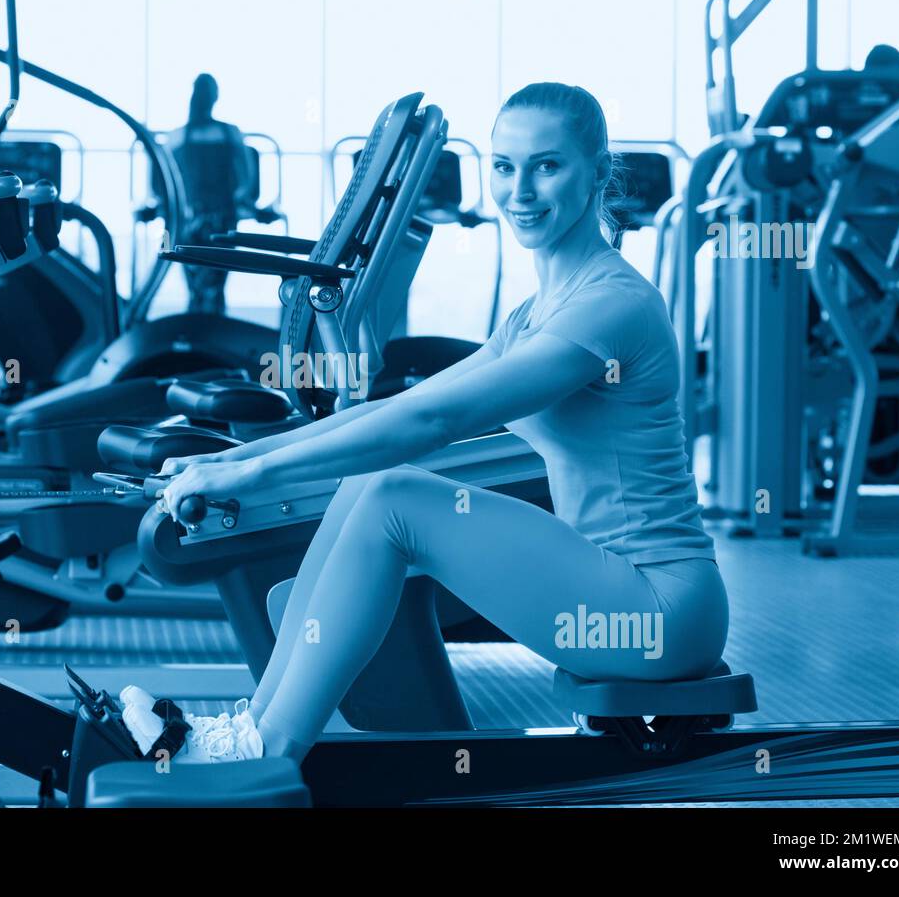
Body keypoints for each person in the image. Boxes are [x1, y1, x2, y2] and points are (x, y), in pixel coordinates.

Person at [131, 82, 730, 764]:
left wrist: (249, 471)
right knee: (371, 480)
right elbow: (395, 407)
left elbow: (439, 417)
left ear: (598, 172)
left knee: (393, 496)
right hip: (611, 586)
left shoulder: (611, 305)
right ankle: (257, 721)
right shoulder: (540, 309)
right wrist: (230, 461)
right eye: (503, 166)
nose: (520, 190)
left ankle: (267, 746)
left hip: (657, 611)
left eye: (547, 165)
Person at [163, 73, 257, 316]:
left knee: (195, 284)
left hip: (188, 219)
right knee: (216, 282)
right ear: (215, 97)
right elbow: (245, 180)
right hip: (223, 218)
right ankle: (214, 326)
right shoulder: (231, 133)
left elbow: (165, 183)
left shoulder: (176, 137)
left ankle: (194, 328)